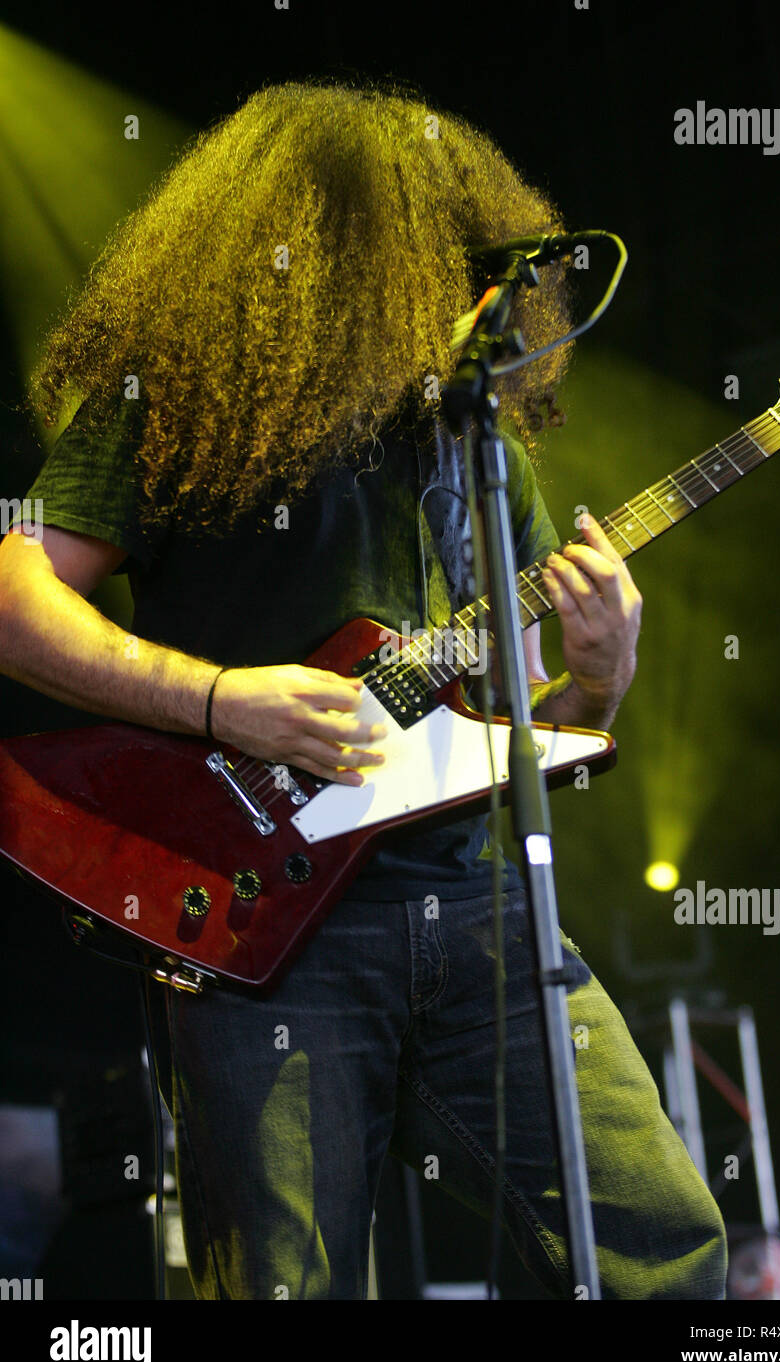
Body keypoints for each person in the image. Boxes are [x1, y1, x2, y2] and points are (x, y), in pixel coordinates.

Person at [0, 80, 727, 1299]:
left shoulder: (479, 450)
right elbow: (14, 599)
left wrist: (602, 676)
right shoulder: (178, 396)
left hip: (480, 909)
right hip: (262, 926)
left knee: (666, 1251)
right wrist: (223, 698)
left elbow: (530, 730)